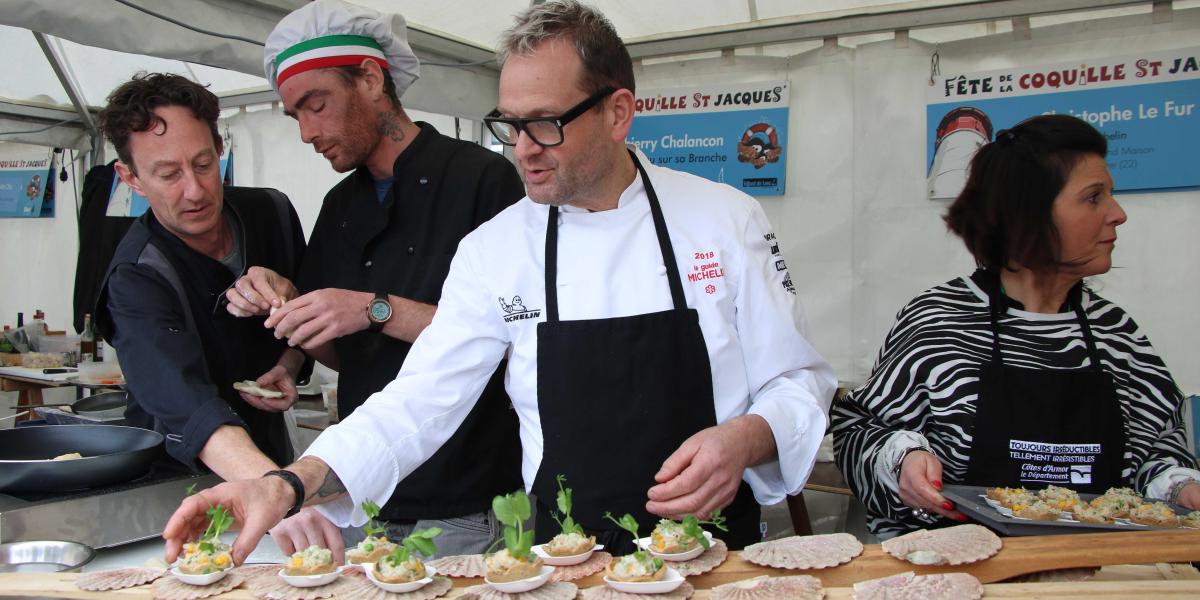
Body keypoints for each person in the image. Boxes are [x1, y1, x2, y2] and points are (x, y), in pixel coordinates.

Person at [164, 0, 834, 565]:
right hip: (567, 560)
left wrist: (747, 435)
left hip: (716, 556)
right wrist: (288, 483)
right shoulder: (496, 249)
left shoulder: (725, 220)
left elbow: (797, 380)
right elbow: (419, 401)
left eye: (545, 122)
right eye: (510, 124)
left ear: (619, 112)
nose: (521, 148)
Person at [224, 0, 524, 557]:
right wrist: (293, 329)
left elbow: (510, 338)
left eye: (317, 106)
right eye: (295, 117)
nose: (308, 133)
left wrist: (372, 307)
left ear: (369, 79)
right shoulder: (341, 204)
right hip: (359, 497)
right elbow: (341, 351)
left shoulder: (483, 179)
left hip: (464, 499)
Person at [832, 114, 1200, 537]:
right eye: (1094, 197)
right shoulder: (940, 321)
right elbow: (861, 430)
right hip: (957, 567)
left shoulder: (1118, 334)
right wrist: (903, 463)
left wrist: (1179, 486)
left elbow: (1155, 450)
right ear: (1029, 215)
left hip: (1095, 570)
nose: (1118, 215)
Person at [94, 73, 344, 559]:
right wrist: (278, 490)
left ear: (219, 146)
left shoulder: (269, 211)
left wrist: (289, 362)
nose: (195, 191)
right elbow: (188, 406)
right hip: (176, 483)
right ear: (130, 178)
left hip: (270, 455)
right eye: (167, 175)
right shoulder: (137, 275)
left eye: (204, 164)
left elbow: (306, 308)